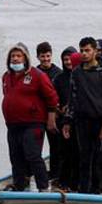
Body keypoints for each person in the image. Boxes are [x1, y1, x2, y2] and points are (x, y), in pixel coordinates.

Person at [62, 37, 102, 194]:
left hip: (101, 121)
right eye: (82, 51)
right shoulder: (77, 72)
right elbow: (72, 99)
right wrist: (68, 121)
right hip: (82, 122)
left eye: (87, 50)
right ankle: (85, 190)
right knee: (84, 158)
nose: (84, 54)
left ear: (95, 51)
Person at [2, 43, 59, 191]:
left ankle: (43, 187)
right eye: (13, 56)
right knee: (15, 157)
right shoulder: (6, 76)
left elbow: (52, 97)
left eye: (18, 56)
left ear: (25, 58)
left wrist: (51, 118)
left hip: (33, 123)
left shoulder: (37, 75)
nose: (15, 59)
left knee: (33, 156)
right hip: (13, 125)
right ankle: (19, 186)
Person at [35, 42, 63, 182]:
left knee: (55, 146)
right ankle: (35, 172)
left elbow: (60, 95)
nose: (45, 59)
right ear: (37, 57)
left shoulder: (58, 73)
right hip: (38, 116)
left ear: (51, 55)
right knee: (35, 147)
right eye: (42, 57)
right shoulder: (34, 72)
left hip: (54, 116)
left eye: (47, 56)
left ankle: (55, 173)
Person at [53, 47, 79, 190]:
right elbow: (53, 99)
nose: (68, 62)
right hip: (63, 121)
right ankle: (63, 182)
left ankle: (76, 183)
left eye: (70, 59)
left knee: (78, 153)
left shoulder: (81, 75)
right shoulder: (59, 78)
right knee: (64, 153)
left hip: (79, 121)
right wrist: (58, 108)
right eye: (65, 60)